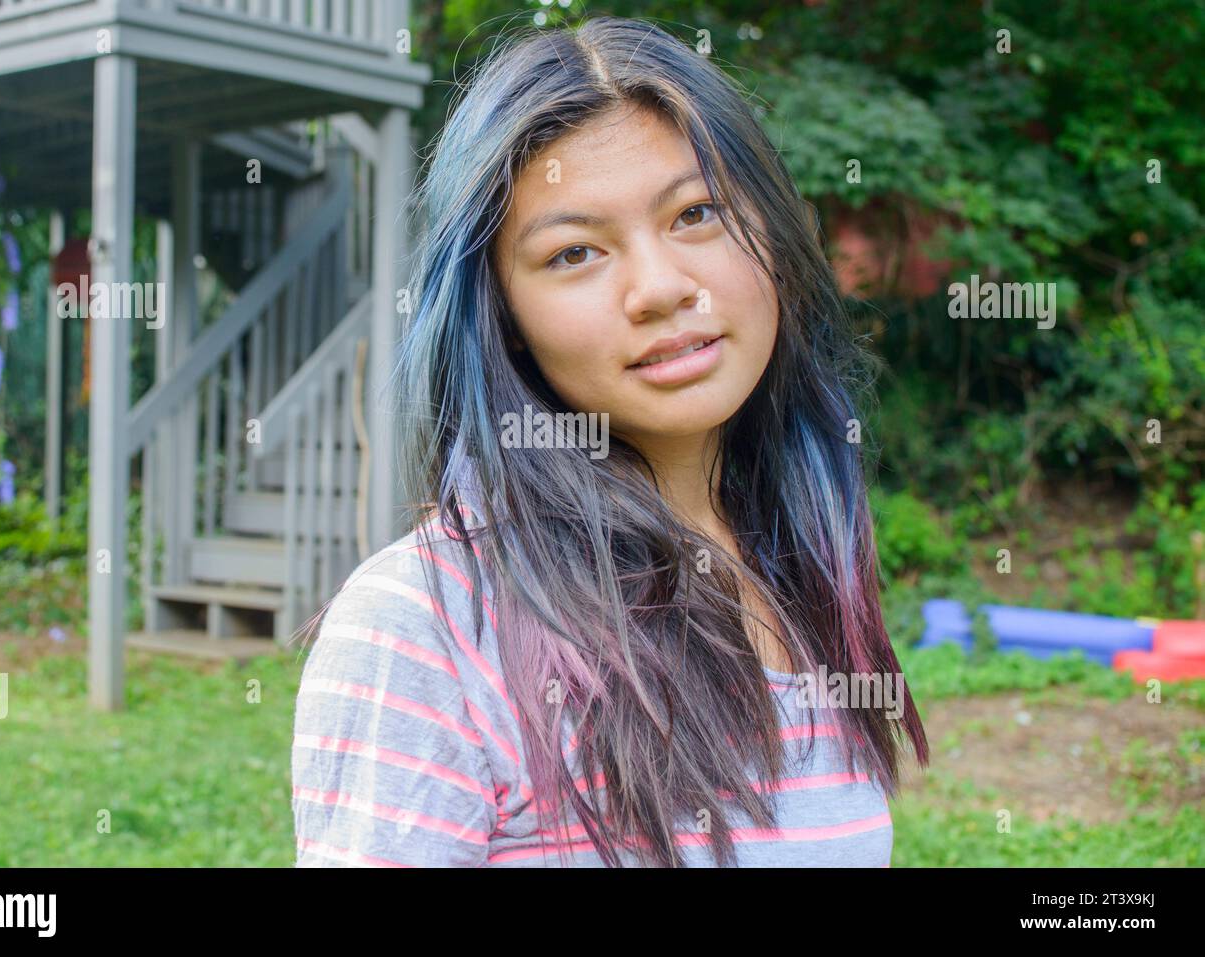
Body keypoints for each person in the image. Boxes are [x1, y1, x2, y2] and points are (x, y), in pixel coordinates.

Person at [292, 15, 929, 867]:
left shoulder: (802, 575)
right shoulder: (426, 621)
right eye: (575, 252)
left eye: (697, 212)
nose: (662, 287)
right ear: (504, 319)